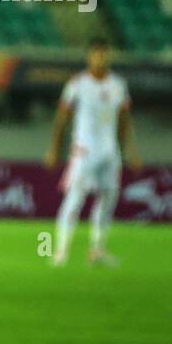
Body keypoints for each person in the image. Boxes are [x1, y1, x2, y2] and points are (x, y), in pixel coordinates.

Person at [44, 37, 141, 266]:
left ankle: (97, 250)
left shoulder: (118, 85)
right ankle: (61, 250)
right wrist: (54, 149)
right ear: (89, 57)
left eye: (104, 54)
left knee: (108, 197)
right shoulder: (77, 84)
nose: (100, 58)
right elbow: (61, 119)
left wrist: (130, 151)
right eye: (96, 54)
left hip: (109, 151)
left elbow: (124, 119)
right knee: (75, 197)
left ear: (109, 56)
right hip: (84, 150)